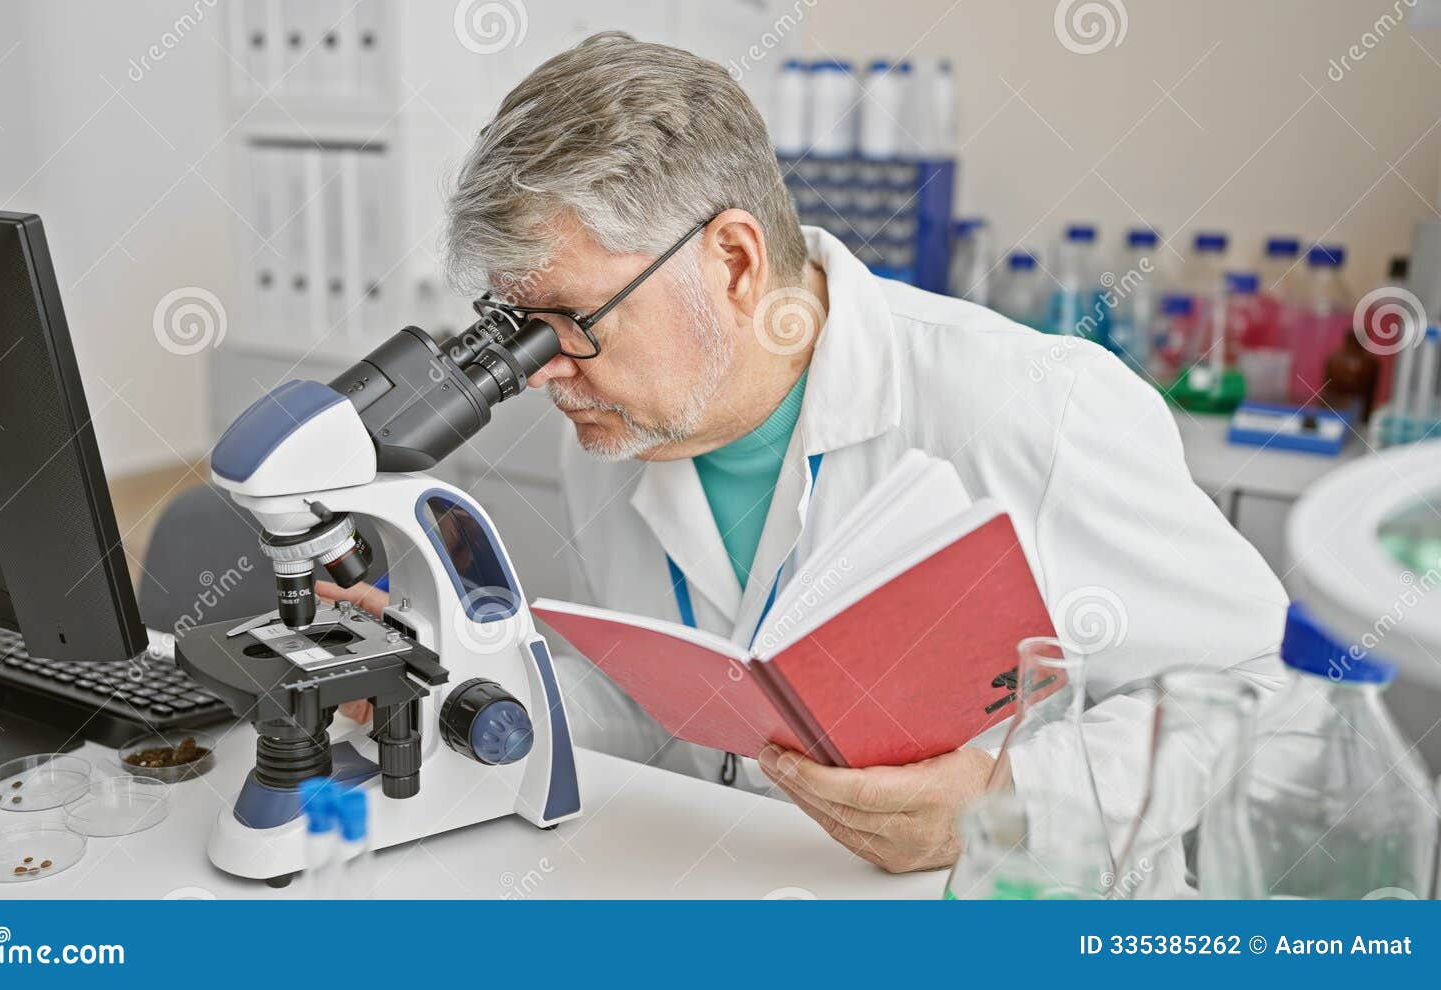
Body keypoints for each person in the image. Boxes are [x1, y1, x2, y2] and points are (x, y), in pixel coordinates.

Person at [321, 32, 1287, 874]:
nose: (537, 372)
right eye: (515, 328)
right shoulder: (615, 430)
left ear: (734, 262)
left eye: (568, 321)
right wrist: (437, 684)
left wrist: (1010, 806)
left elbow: (1259, 686)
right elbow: (667, 710)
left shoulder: (1029, 407)